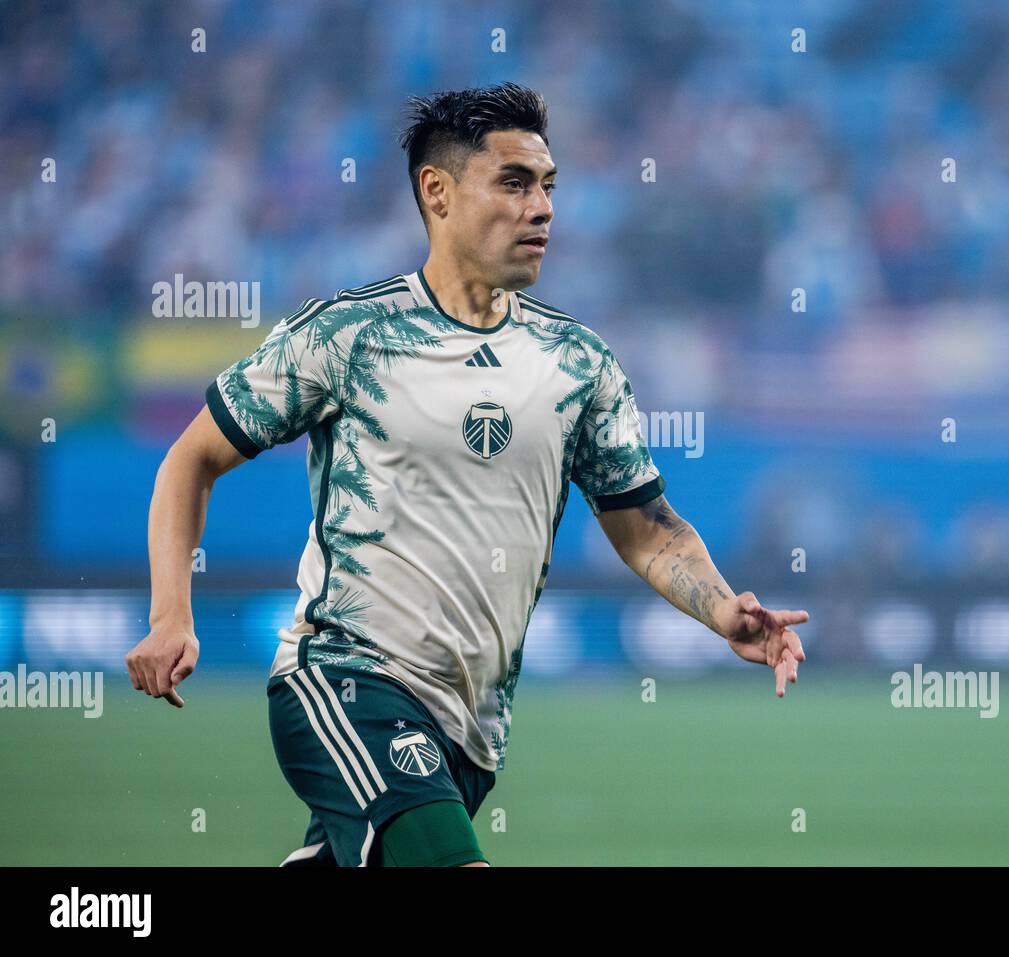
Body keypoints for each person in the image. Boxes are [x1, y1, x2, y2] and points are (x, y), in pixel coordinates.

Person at [125, 82, 809, 867]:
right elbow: (192, 459)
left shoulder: (578, 363)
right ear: (438, 192)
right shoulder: (350, 335)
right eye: (515, 183)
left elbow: (646, 529)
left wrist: (725, 611)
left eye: (549, 186)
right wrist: (171, 613)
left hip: (471, 732)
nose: (543, 208)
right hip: (348, 682)